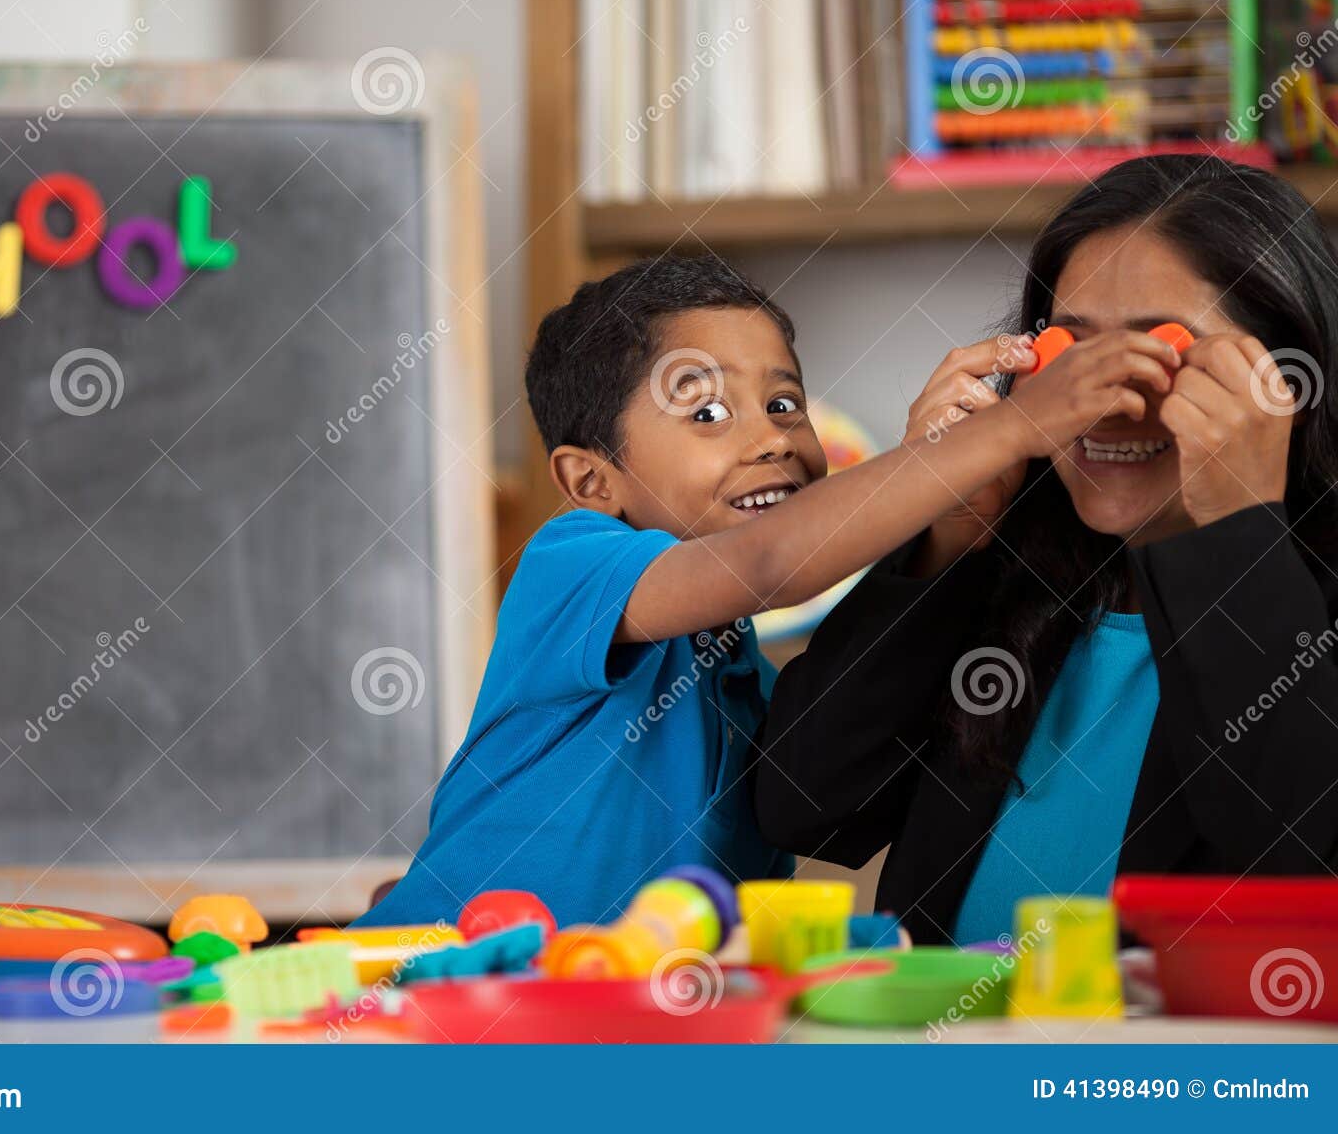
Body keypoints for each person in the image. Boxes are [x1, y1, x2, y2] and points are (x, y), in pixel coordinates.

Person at [360, 253, 1163, 927]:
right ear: (592, 481)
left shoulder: (741, 672)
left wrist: (951, 526)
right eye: (708, 412)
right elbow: (771, 561)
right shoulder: (573, 563)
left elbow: (811, 781)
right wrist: (1011, 428)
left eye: (784, 404)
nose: (772, 439)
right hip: (444, 1002)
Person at [755, 155, 1338, 945]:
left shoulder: (1306, 604)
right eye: (1072, 353)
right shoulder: (1006, 573)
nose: (1103, 405)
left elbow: (1295, 858)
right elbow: (803, 806)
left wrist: (1237, 527)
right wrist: (942, 532)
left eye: (1162, 351)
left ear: (1287, 378)